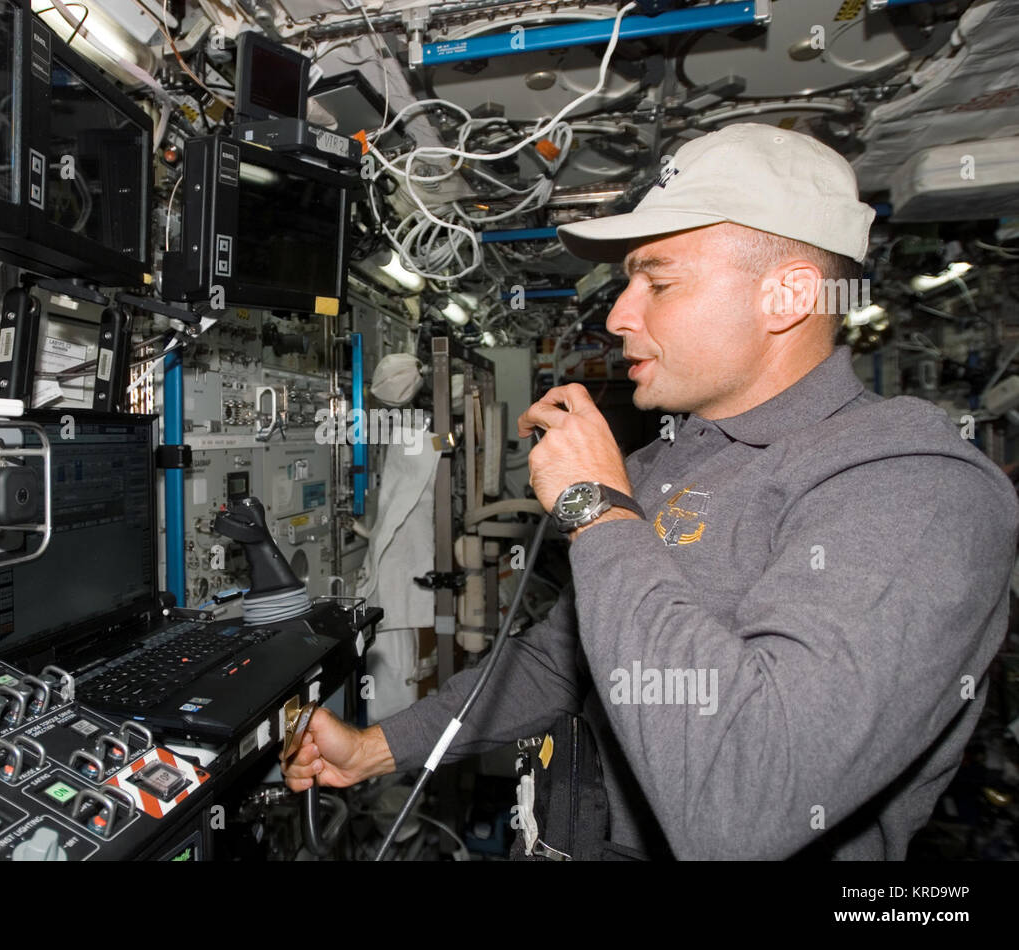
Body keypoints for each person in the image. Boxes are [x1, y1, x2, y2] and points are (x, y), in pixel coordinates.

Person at [281, 123, 1018, 859]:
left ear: (786, 296)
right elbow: (559, 661)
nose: (617, 316)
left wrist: (599, 509)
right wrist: (377, 747)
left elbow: (747, 799)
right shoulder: (669, 461)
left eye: (658, 282)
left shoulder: (914, 487)